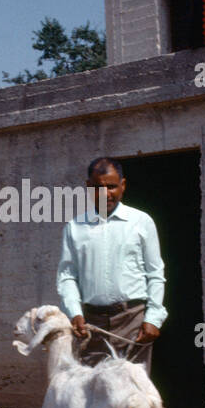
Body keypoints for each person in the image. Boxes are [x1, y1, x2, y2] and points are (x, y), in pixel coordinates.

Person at [56, 157, 166, 376]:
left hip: (132, 321)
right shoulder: (74, 227)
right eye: (98, 187)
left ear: (123, 186)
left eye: (112, 186)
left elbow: (155, 274)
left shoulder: (141, 222)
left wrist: (153, 318)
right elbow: (67, 276)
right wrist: (75, 313)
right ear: (88, 188)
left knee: (133, 395)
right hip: (91, 324)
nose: (105, 193)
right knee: (93, 391)